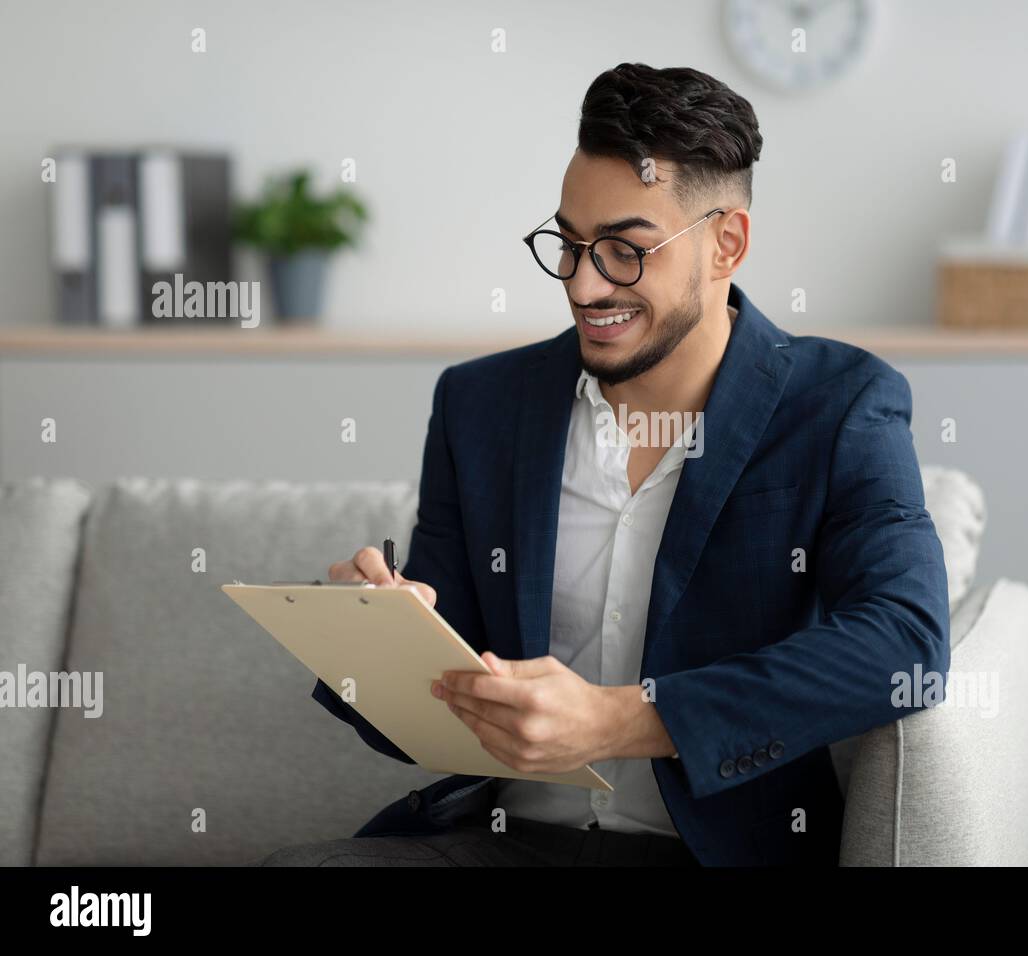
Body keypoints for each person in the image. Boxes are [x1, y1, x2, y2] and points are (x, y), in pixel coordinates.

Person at [255, 62, 949, 868]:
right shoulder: (480, 406)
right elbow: (441, 710)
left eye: (625, 250)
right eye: (571, 245)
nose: (585, 284)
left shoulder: (839, 404)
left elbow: (905, 641)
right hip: (503, 839)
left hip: (715, 852)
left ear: (726, 243)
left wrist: (626, 718)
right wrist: (376, 640)